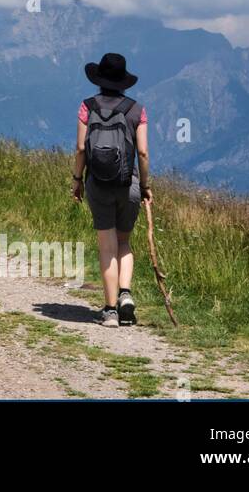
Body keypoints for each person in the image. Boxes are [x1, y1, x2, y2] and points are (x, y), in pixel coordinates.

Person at [71, 53, 153, 327]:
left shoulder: (87, 106)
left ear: (99, 79)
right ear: (123, 82)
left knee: (107, 247)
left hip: (98, 184)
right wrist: (144, 186)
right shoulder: (136, 109)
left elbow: (82, 148)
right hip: (127, 184)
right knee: (124, 242)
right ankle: (125, 294)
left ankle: (109, 312)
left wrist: (77, 180)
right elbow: (142, 152)